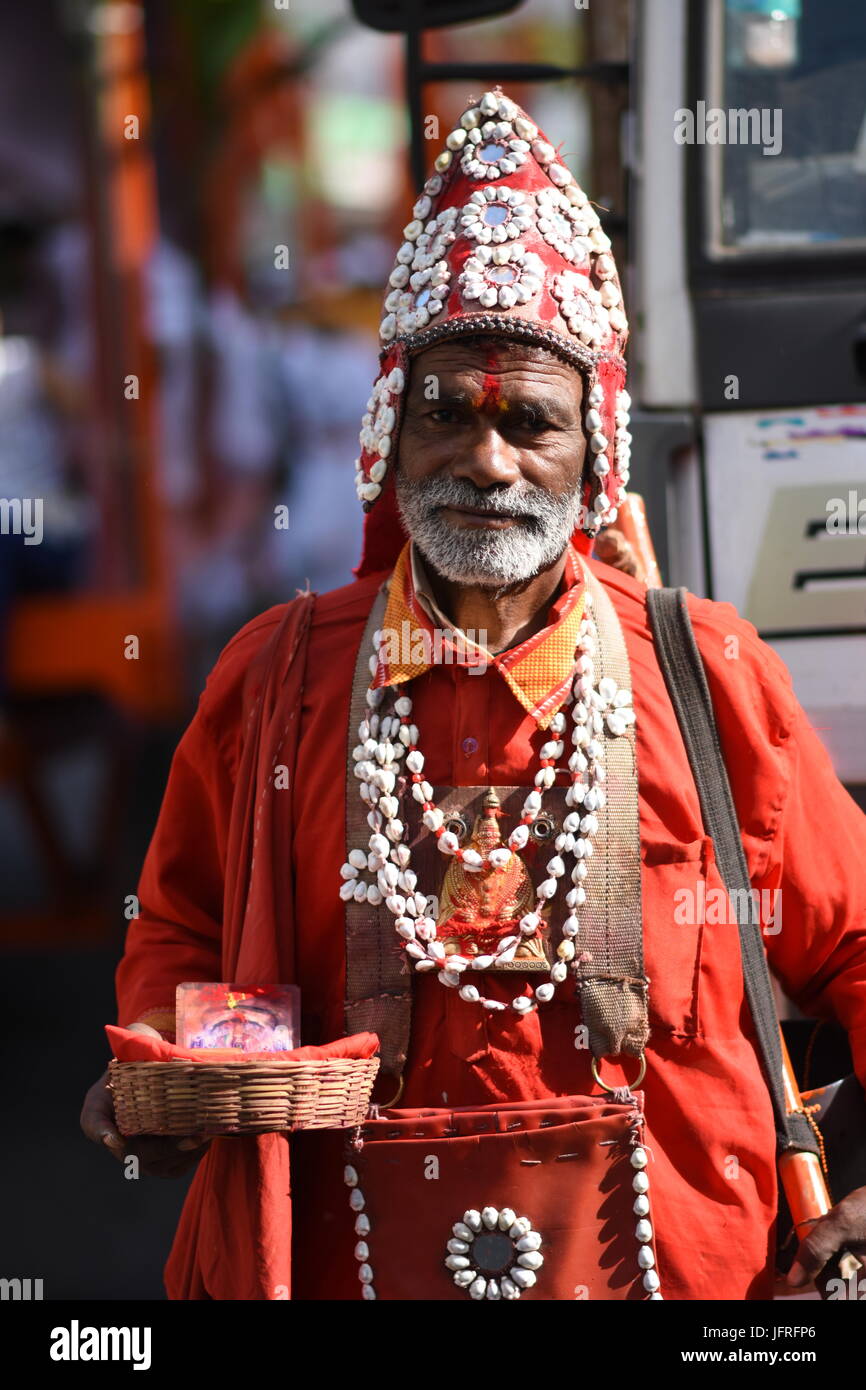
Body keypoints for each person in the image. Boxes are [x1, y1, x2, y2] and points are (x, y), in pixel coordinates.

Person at [81, 88, 866, 1301]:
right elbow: (185, 926)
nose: (485, 459)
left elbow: (855, 939)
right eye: (444, 413)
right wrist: (201, 1067)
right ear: (391, 442)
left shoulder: (708, 677)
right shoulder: (275, 679)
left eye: (528, 423)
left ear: (592, 452)